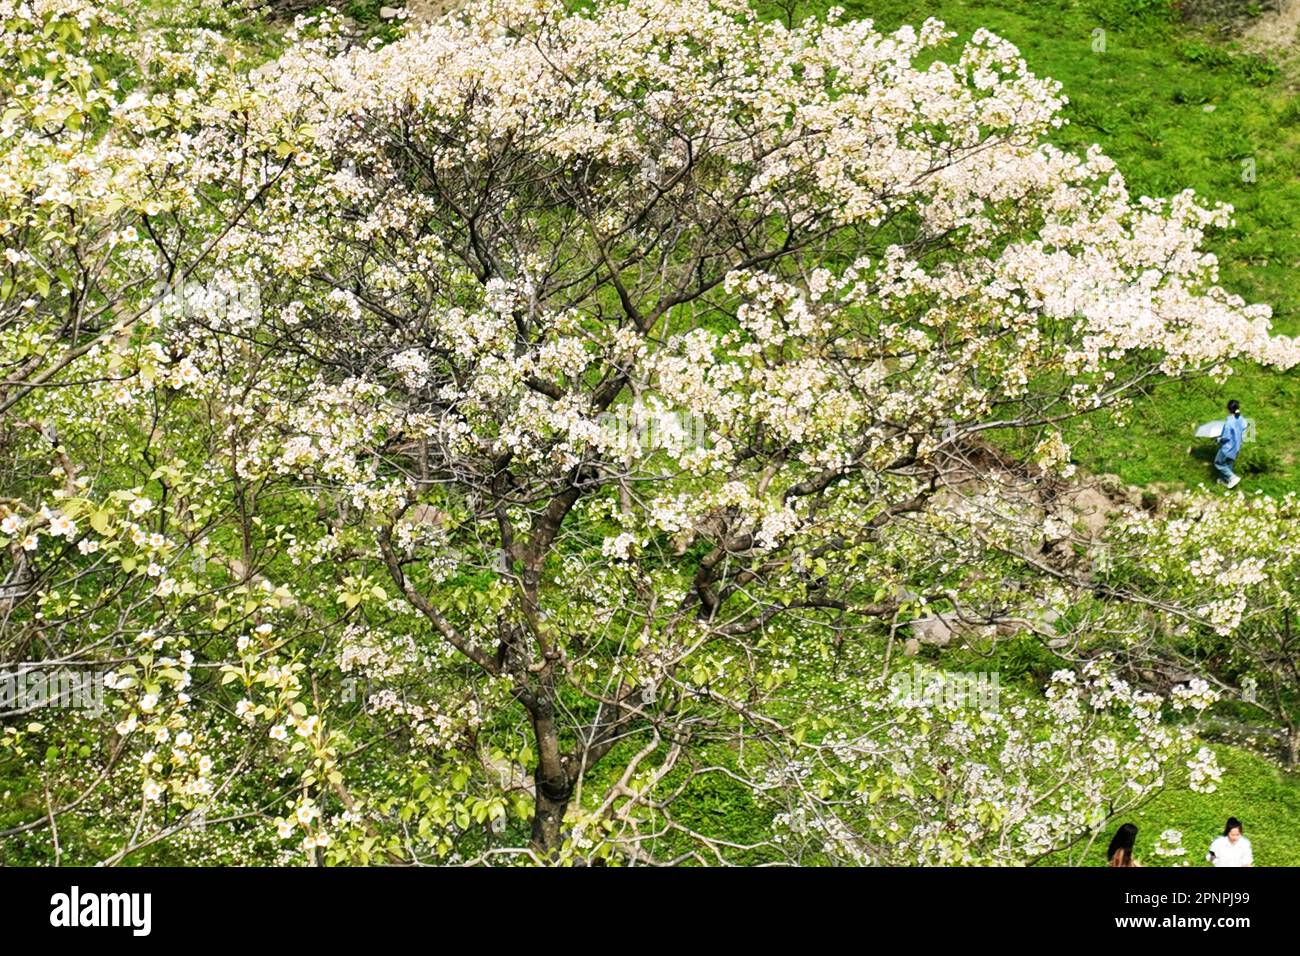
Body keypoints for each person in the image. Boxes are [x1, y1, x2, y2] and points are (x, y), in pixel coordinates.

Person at [1215, 400, 1246, 489]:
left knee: (1219, 463)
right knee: (1228, 464)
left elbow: (1226, 437)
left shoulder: (1229, 422)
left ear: (1228, 409)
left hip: (1227, 447)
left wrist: (1218, 439)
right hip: (1237, 446)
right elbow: (1245, 426)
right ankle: (1225, 481)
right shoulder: (1240, 418)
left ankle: (1233, 478)